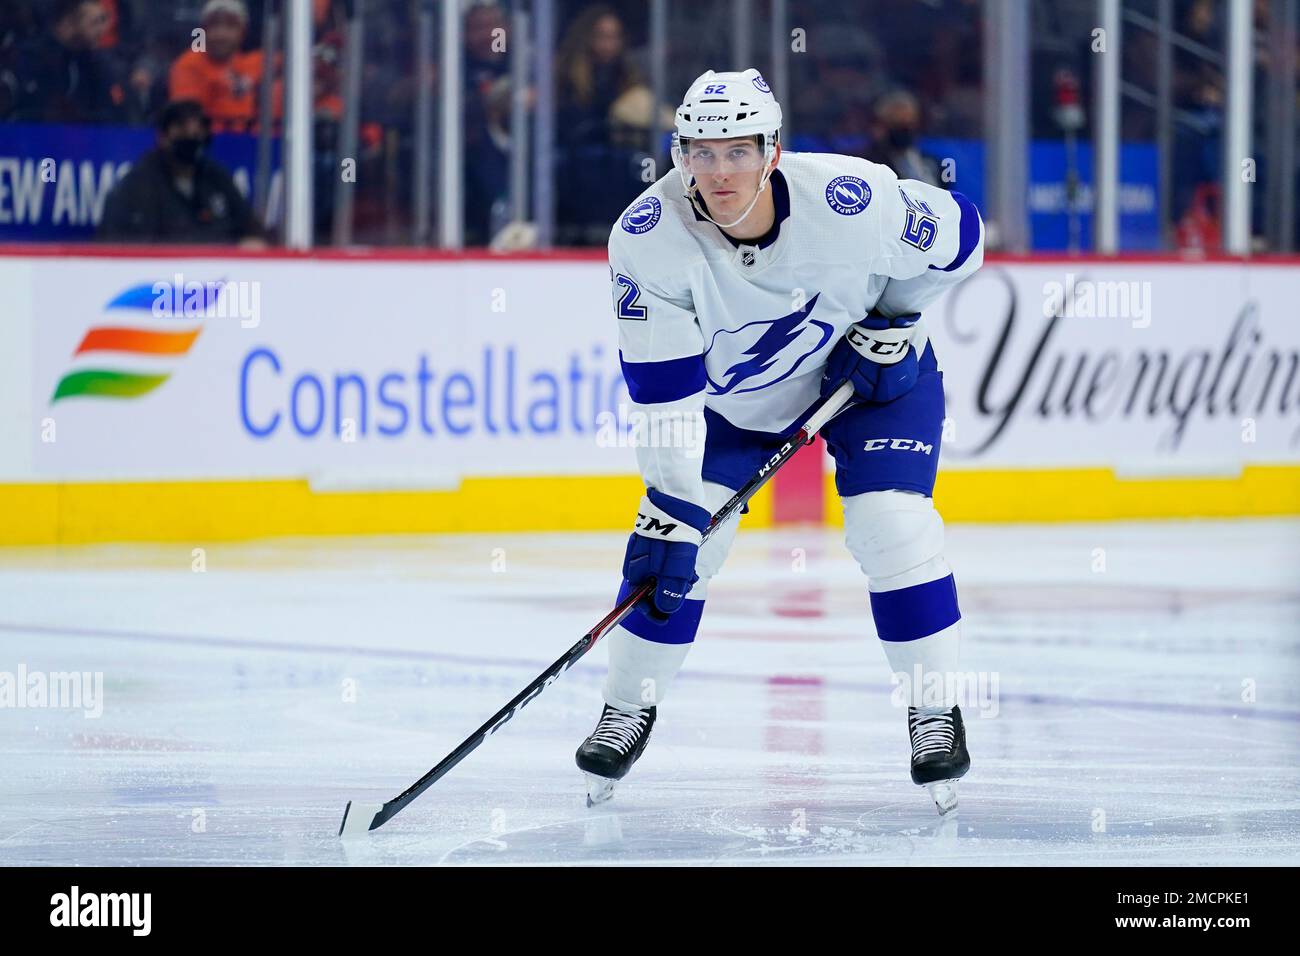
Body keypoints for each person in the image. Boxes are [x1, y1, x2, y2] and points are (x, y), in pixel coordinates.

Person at [576, 68, 984, 816]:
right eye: (702, 151)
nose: (720, 172)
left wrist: (897, 319)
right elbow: (667, 402)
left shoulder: (850, 198)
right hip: (733, 408)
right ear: (678, 154)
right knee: (675, 547)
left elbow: (963, 239)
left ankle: (934, 709)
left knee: (891, 528)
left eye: (738, 151)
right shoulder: (647, 239)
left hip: (867, 383)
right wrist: (671, 510)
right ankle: (627, 705)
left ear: (774, 151)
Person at [97, 98, 266, 245]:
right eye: (181, 128)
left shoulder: (218, 179)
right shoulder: (137, 186)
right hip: (159, 277)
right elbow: (116, 244)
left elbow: (251, 230)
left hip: (214, 275)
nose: (191, 136)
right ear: (162, 137)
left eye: (198, 130)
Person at [3, 0, 123, 123]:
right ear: (69, 23)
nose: (102, 30)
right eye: (94, 22)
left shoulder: (93, 62)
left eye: (103, 20)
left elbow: (109, 111)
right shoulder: (32, 57)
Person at [168, 0, 268, 134]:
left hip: (256, 148)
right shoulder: (189, 65)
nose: (221, 34)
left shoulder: (258, 62)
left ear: (243, 31)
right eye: (214, 25)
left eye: (230, 26)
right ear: (203, 31)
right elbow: (188, 126)